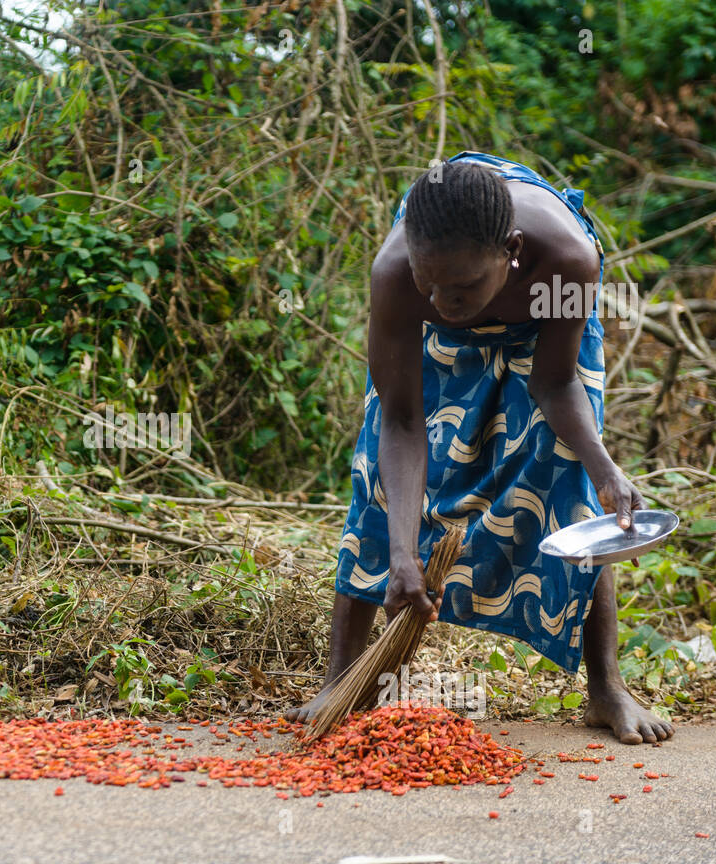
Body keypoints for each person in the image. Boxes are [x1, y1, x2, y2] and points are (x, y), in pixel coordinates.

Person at [286, 152, 674, 745]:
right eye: (430, 283)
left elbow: (554, 382)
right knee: (376, 481)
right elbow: (402, 419)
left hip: (539, 330)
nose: (443, 301)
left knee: (567, 477)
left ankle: (606, 688)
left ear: (512, 250)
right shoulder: (396, 273)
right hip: (436, 350)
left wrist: (604, 468)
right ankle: (343, 679)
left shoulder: (567, 262)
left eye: (464, 285)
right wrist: (402, 556)